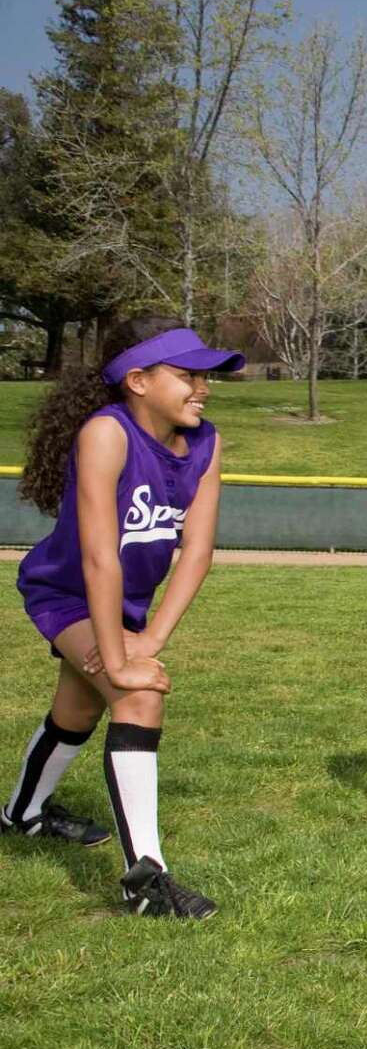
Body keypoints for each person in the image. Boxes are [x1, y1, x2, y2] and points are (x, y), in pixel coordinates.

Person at [5, 317, 243, 917]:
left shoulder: (207, 443)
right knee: (138, 697)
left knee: (78, 707)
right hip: (68, 592)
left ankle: (22, 813)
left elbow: (198, 550)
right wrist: (118, 658)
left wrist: (151, 635)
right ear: (137, 380)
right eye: (186, 375)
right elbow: (96, 557)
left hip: (128, 602)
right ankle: (146, 882)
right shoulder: (106, 433)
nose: (202, 388)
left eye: (205, 377)